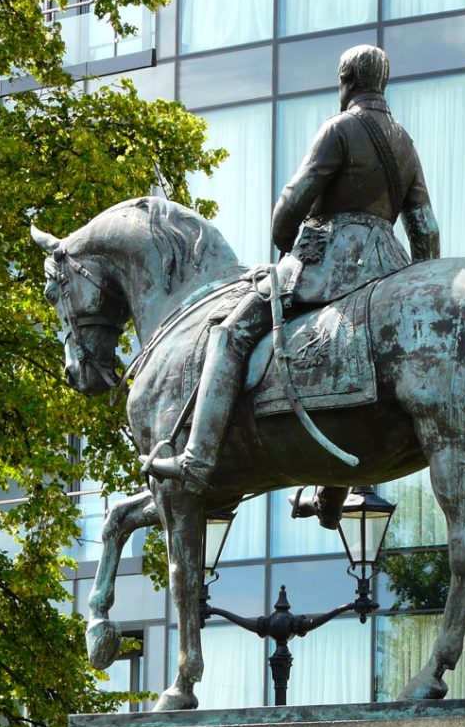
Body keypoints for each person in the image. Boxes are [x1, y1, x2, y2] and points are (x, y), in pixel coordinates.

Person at [150, 45, 440, 501]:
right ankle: (334, 491)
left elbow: (293, 201)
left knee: (230, 333)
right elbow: (425, 227)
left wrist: (286, 241)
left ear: (346, 82)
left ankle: (196, 457)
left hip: (328, 263)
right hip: (388, 266)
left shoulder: (339, 128)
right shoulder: (405, 142)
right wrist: (417, 282)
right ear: (381, 84)